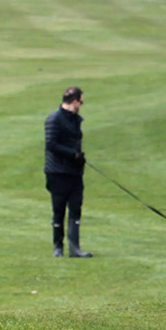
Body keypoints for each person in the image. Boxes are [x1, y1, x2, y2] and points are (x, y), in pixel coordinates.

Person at [44, 86, 92, 258]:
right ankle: (58, 247)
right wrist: (73, 154)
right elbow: (51, 144)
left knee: (76, 208)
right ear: (74, 101)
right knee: (58, 210)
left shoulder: (75, 119)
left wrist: (78, 157)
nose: (81, 105)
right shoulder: (54, 119)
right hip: (57, 172)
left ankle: (74, 248)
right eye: (81, 101)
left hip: (75, 172)